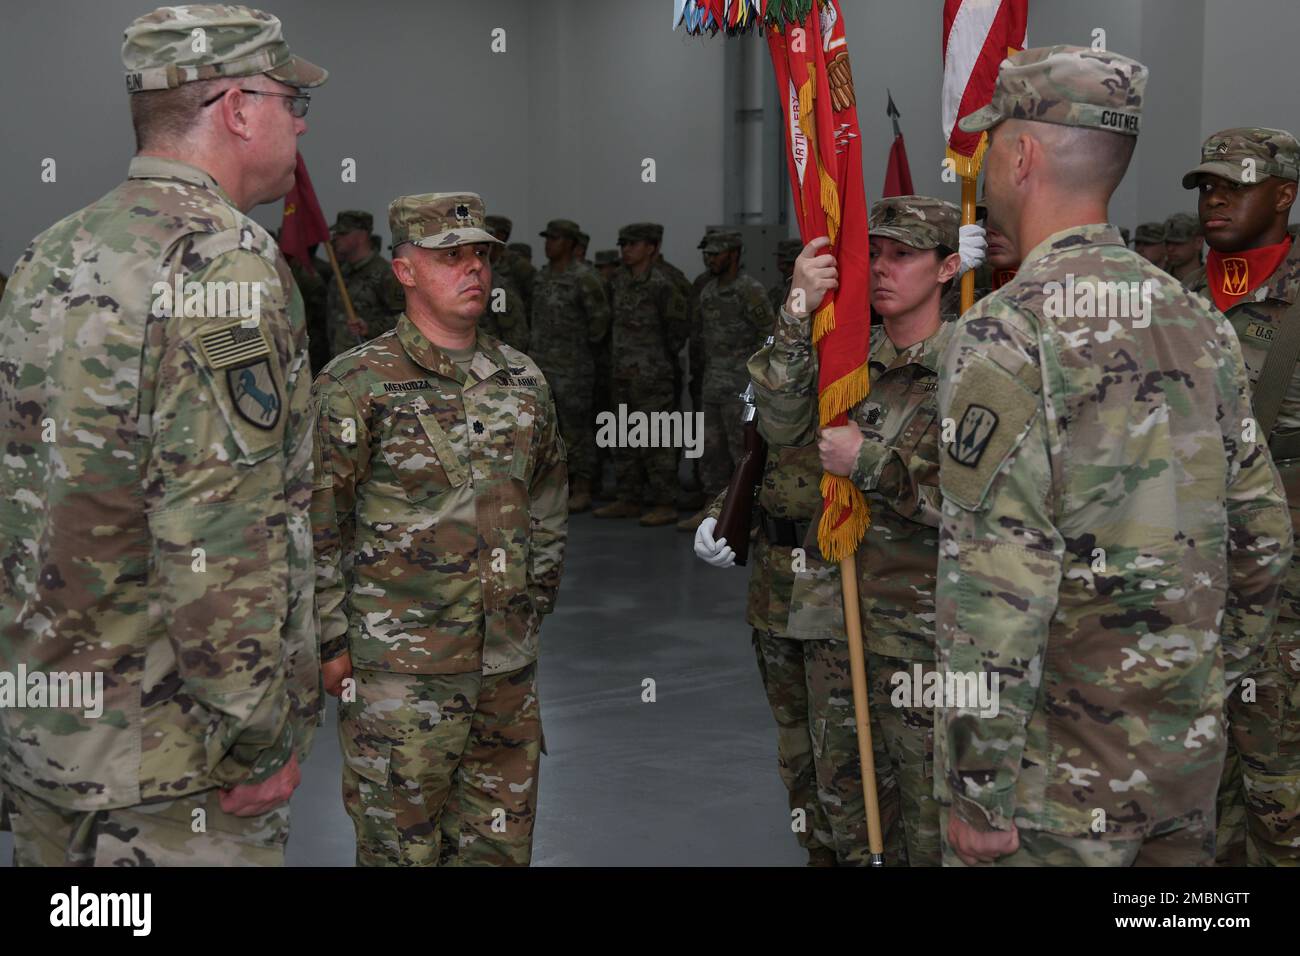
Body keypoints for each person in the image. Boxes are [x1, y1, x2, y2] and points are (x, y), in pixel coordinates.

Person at [938, 45, 1292, 867]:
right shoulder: (1198, 319)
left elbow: (996, 588)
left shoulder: (1007, 330)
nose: (987, 164)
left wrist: (977, 788)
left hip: (1051, 793)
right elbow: (1263, 535)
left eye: (993, 145)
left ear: (1021, 157)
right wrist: (1198, 684)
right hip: (1183, 770)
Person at [0, 3, 326, 866]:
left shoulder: (48, 255)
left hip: (45, 739)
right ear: (238, 107)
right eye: (293, 101)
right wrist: (254, 740)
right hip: (170, 772)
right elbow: (220, 534)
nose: (299, 122)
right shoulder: (224, 264)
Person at [312, 192, 567, 866]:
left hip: (506, 672)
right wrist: (332, 642)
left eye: (481, 255)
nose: (473, 269)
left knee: (499, 850)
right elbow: (315, 524)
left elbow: (546, 500)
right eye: (450, 256)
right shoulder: (356, 383)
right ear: (404, 271)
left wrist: (531, 602)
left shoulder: (521, 380)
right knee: (401, 851)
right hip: (400, 678)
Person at [748, 196, 969, 866]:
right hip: (834, 620)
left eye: (904, 255)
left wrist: (867, 462)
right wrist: (795, 311)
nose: (881, 268)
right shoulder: (845, 356)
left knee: (928, 813)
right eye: (873, 253)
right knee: (843, 799)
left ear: (948, 267)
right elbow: (777, 423)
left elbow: (982, 500)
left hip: (924, 629)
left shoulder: (973, 364)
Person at [1181, 126, 1300, 866]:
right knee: (1193, 797)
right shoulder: (1169, 302)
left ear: (1284, 194)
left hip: (1286, 602)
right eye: (1206, 185)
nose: (1216, 197)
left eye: (1237, 183)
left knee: (1282, 795)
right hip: (1185, 594)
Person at [592, 223, 689, 526]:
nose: (626, 249)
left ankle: (664, 501)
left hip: (652, 375)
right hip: (621, 372)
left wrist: (656, 360)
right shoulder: (617, 281)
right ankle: (629, 497)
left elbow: (677, 329)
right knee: (622, 436)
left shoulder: (663, 283)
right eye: (624, 244)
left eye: (633, 244)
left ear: (651, 247)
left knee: (657, 438)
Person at [678, 229, 774, 531]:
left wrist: (756, 376)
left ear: (733, 254)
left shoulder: (750, 290)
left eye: (715, 253)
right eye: (706, 253)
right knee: (710, 453)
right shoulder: (707, 291)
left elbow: (769, 335)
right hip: (712, 385)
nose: (709, 259)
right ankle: (712, 512)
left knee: (742, 454)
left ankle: (749, 517)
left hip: (741, 387)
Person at [530, 218, 611, 513]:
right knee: (548, 432)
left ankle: (583, 487)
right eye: (547, 238)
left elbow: (600, 323)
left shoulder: (584, 278)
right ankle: (553, 486)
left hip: (574, 368)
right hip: (543, 366)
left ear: (571, 244)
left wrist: (577, 350)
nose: (548, 243)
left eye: (555, 238)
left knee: (576, 432)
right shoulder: (542, 277)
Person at [325, 209, 403, 356]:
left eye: (342, 233)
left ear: (362, 235)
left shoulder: (385, 274)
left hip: (372, 363)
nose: (335, 238)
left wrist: (371, 328)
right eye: (335, 233)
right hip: (339, 363)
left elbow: (408, 319)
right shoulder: (340, 274)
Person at [1163, 211, 1205, 286]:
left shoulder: (1214, 282)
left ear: (1198, 242)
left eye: (1178, 243)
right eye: (1167, 242)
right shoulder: (1153, 279)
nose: (1170, 248)